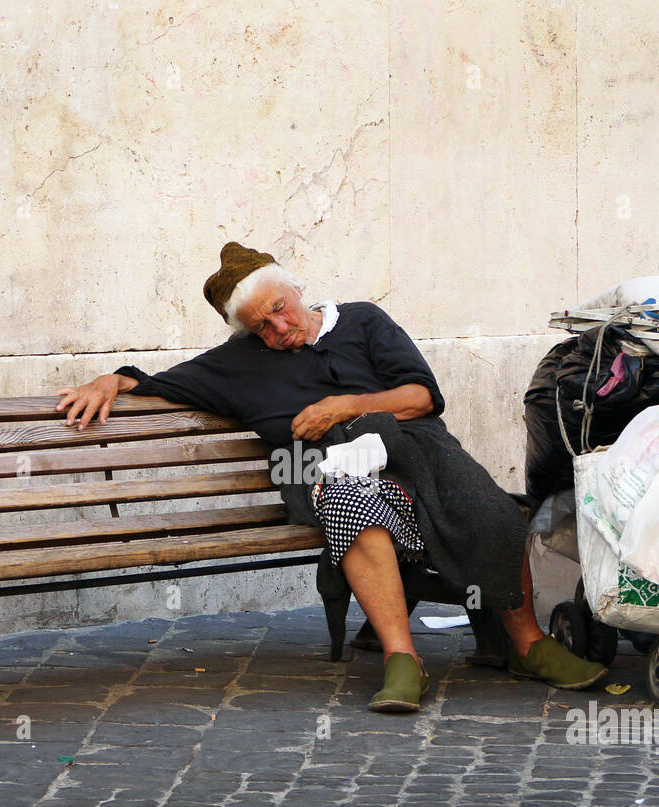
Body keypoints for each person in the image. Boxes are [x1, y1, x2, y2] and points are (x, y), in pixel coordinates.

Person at [56, 242, 607, 712]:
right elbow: (156, 382)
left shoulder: (363, 321)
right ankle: (401, 658)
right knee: (352, 504)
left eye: (280, 309)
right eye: (261, 327)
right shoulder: (235, 364)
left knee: (487, 505)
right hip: (319, 469)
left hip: (415, 451)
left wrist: (344, 406)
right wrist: (110, 380)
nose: (278, 327)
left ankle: (528, 643)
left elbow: (421, 397)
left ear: (295, 291)